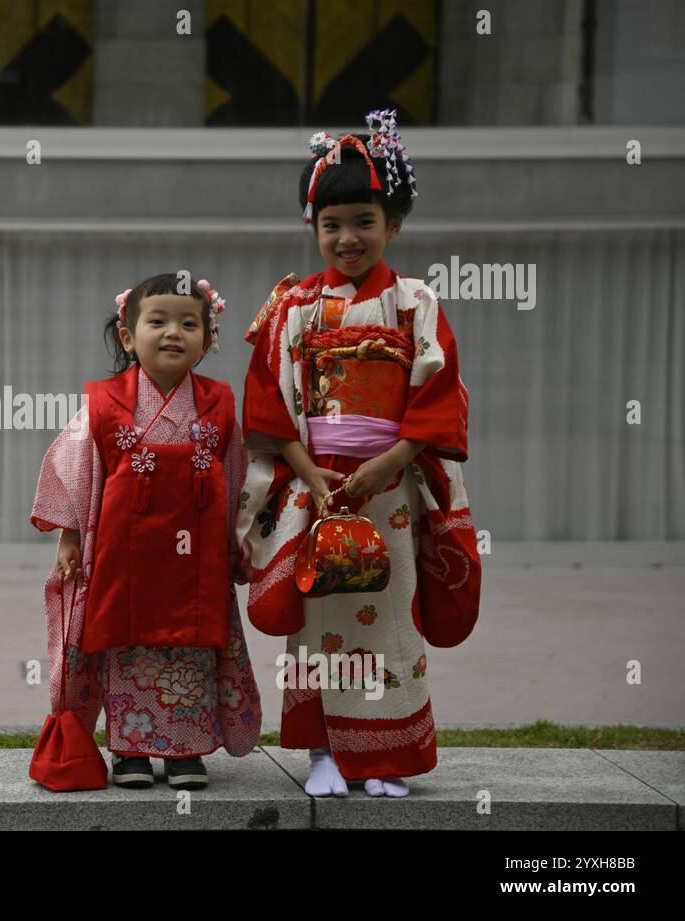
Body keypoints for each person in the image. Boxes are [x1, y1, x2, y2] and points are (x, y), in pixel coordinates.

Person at [237, 109, 481, 798]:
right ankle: (321, 752)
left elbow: (440, 393)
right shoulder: (295, 306)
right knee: (318, 620)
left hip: (388, 484)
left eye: (363, 221)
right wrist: (309, 471)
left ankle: (384, 755)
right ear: (311, 227)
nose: (347, 238)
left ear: (393, 224)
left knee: (391, 612)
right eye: (331, 223)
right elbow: (267, 401)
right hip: (319, 485)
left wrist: (396, 457)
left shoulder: (413, 302)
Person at [31, 273, 261, 790]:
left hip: (195, 560)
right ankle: (130, 750)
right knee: (127, 645)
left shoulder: (219, 405)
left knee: (192, 646)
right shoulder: (104, 402)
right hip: (124, 558)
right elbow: (77, 468)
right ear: (129, 336)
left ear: (208, 337)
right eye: (157, 321)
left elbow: (236, 478)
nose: (173, 332)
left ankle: (185, 751)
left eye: (189, 323)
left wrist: (234, 545)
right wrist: (70, 536)